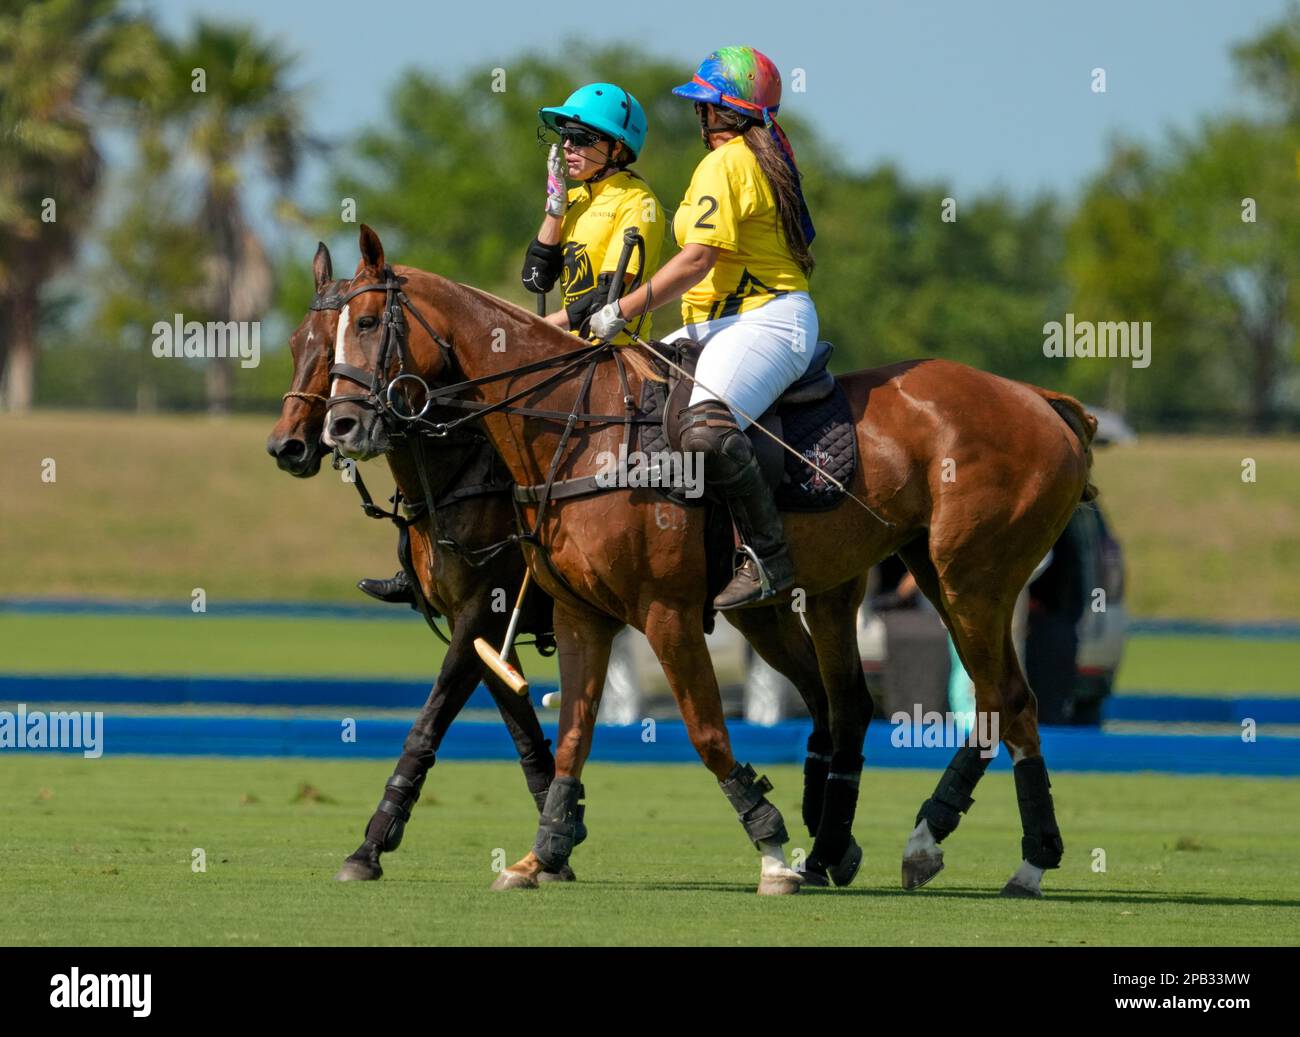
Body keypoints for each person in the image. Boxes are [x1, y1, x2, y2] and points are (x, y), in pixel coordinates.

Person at [358, 82, 663, 606]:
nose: (568, 147)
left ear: (618, 148)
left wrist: (534, 330)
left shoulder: (639, 205)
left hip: (611, 356)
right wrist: (554, 207)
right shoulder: (577, 203)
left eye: (583, 138)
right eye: (565, 136)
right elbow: (535, 277)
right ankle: (420, 560)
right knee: (439, 422)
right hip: (562, 356)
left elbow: (609, 299)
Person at [590, 46, 818, 609]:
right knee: (616, 397)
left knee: (704, 431)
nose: (699, 118)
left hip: (763, 320)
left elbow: (697, 260)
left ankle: (768, 556)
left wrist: (622, 310)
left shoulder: (728, 161)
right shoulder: (751, 156)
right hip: (716, 326)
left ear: (724, 112)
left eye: (705, 108)